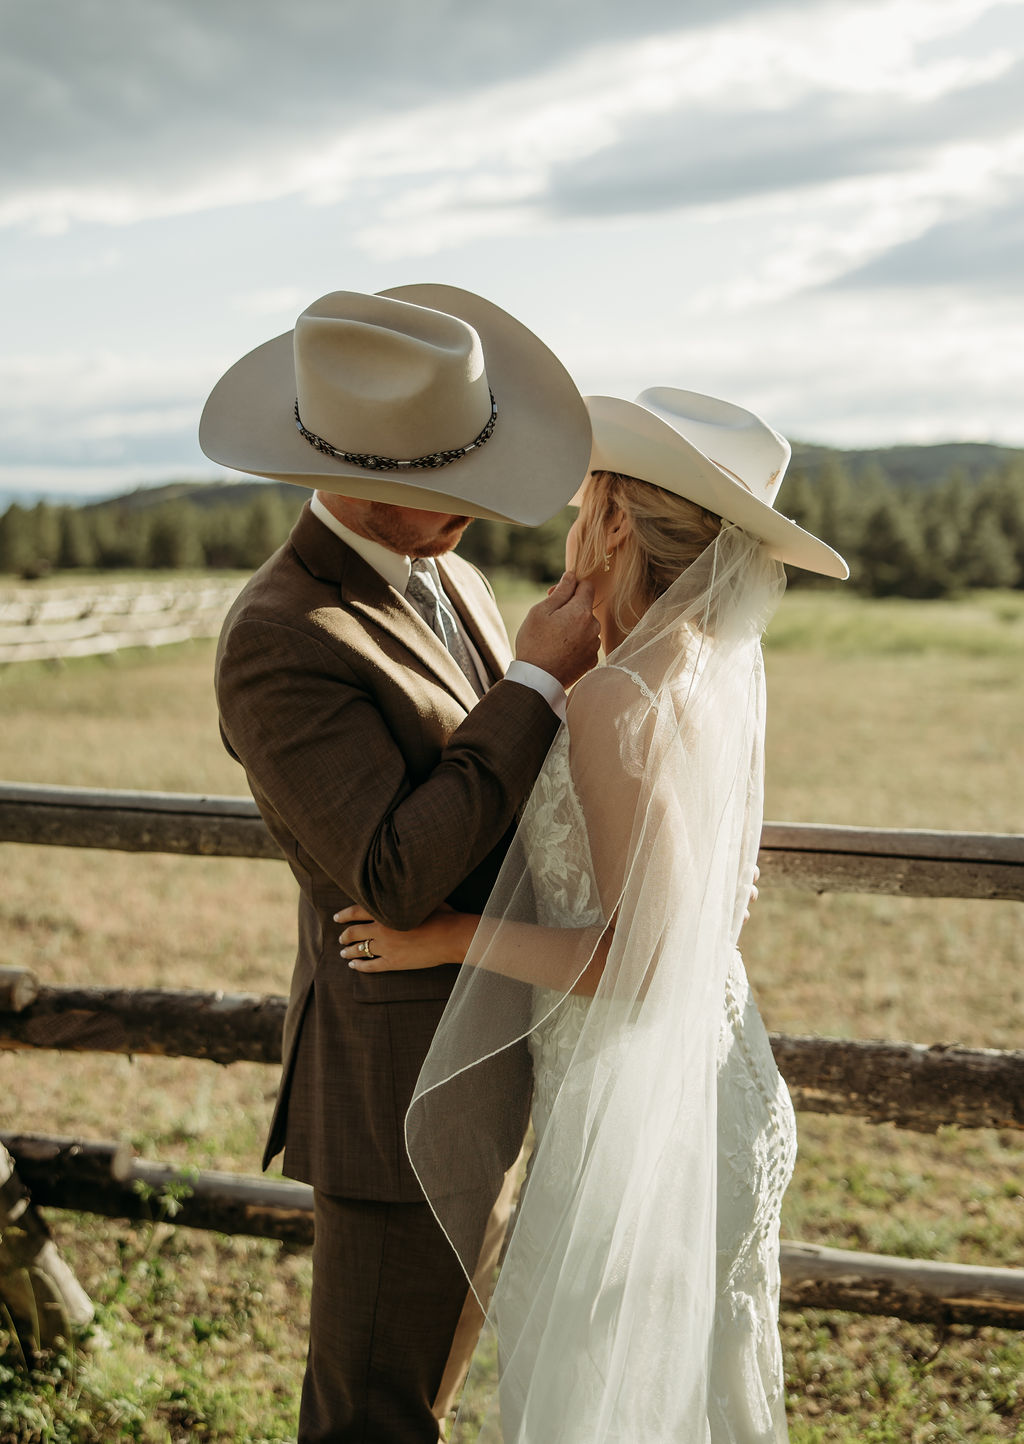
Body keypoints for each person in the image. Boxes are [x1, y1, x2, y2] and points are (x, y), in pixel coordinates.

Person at [337, 387, 848, 1442]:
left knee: (604, 1397)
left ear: (616, 521)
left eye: (587, 499)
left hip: (640, 1107)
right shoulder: (706, 669)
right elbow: (714, 896)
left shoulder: (619, 696)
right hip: (710, 1075)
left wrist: (446, 935)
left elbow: (636, 966)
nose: (572, 518)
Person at [201, 285, 601, 1444]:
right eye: (447, 488)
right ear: (364, 479)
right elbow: (394, 870)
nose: (476, 509)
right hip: (396, 1084)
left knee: (424, 1396)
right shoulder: (280, 636)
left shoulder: (457, 576)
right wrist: (531, 685)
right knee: (371, 1416)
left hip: (491, 1059)